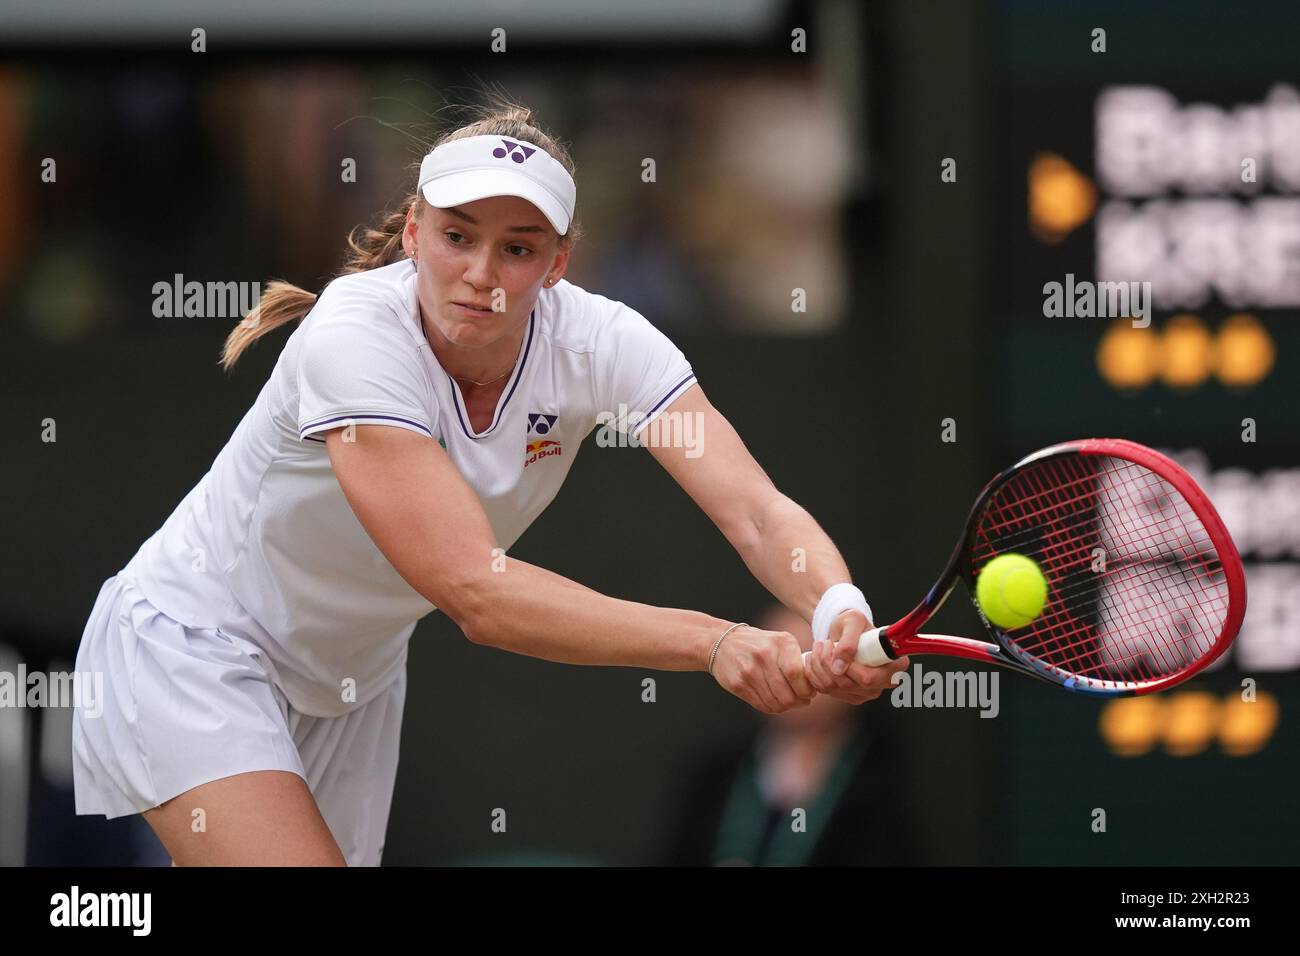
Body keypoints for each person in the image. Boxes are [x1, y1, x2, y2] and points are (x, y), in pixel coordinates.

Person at [72, 97, 909, 866]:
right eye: (458, 235)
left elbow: (760, 514)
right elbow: (478, 591)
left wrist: (836, 608)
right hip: (195, 644)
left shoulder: (604, 343)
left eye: (517, 249)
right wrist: (715, 641)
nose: (481, 272)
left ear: (556, 262)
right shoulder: (354, 340)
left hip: (348, 686)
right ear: (412, 233)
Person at [660, 603, 916, 866]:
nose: (792, 670)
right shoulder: (715, 773)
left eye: (809, 653)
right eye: (774, 656)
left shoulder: (877, 781)